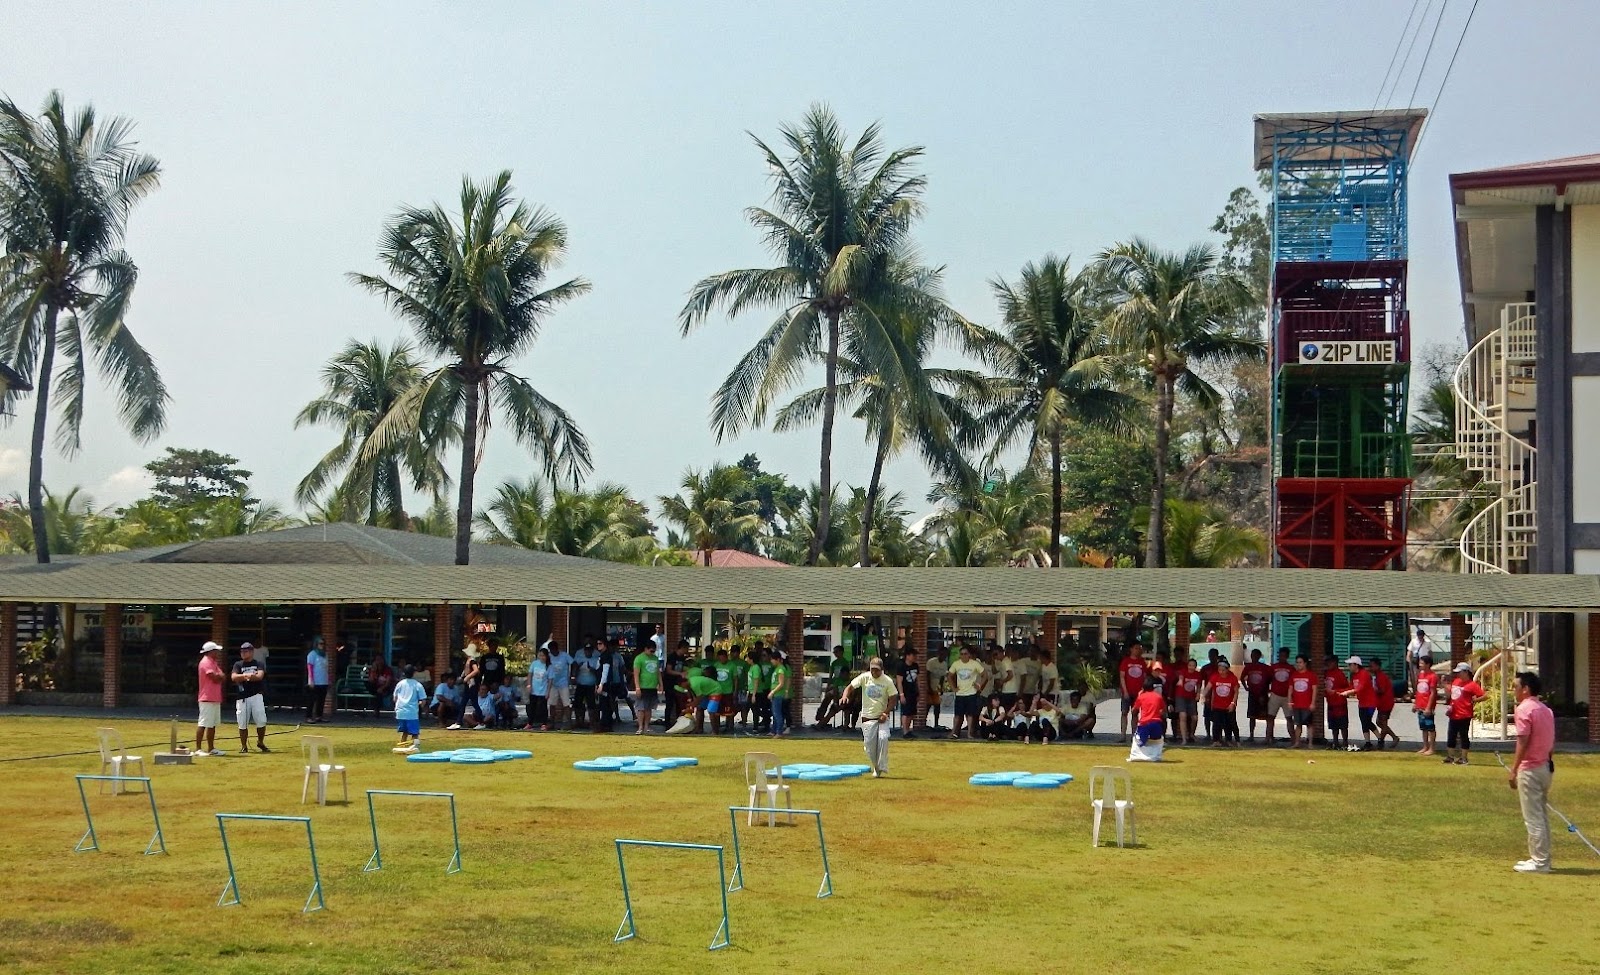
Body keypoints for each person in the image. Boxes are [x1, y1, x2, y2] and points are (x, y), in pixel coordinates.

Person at [1509, 671, 1556, 873]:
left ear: (1525, 689)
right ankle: (1541, 858)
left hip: (1530, 768)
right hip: (1545, 767)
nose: (1514, 690)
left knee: (1533, 817)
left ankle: (1540, 862)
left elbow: (1523, 741)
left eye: (1515, 687)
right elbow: (1551, 741)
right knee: (1541, 815)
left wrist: (1514, 769)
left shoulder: (1524, 709)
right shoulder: (1546, 710)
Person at [841, 656, 898, 777]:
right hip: (867, 718)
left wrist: (886, 713)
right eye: (872, 669)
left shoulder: (887, 681)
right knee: (870, 748)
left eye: (877, 669)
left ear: (882, 669)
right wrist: (844, 696)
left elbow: (893, 698)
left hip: (882, 718)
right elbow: (849, 687)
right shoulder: (864, 677)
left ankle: (882, 766)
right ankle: (876, 768)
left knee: (883, 739)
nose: (874, 672)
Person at [231, 641, 269, 754]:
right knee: (242, 722)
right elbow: (233, 677)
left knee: (261, 720)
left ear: (251, 652)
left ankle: (260, 742)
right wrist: (247, 676)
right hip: (242, 697)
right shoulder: (238, 664)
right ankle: (244, 746)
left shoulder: (259, 663)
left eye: (246, 651)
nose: (243, 653)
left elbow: (259, 676)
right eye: (242, 651)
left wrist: (244, 677)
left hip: (256, 695)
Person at [1444, 662, 1485, 765]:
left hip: (1465, 714)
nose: (1458, 674)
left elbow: (1483, 695)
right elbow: (1451, 694)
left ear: (1466, 672)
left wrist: (1474, 700)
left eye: (1460, 672)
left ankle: (1464, 758)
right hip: (1454, 713)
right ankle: (1450, 756)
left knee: (1463, 736)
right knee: (1451, 735)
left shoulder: (1472, 685)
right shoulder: (1456, 681)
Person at [949, 645, 988, 740]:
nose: (963, 656)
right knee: (958, 715)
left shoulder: (974, 664)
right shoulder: (956, 664)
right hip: (960, 693)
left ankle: (970, 734)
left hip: (971, 693)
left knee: (970, 715)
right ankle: (954, 732)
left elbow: (985, 675)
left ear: (969, 655)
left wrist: (979, 685)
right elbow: (950, 676)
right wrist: (953, 688)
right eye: (961, 654)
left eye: (965, 654)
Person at [1341, 656, 1378, 752]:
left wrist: (1347, 693)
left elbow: (1359, 688)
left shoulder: (1364, 674)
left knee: (1367, 721)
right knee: (1364, 722)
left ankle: (1379, 738)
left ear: (1356, 665)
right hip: (1362, 702)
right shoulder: (1354, 676)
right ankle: (1368, 742)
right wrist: (1338, 691)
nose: (1349, 667)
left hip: (1370, 702)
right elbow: (1351, 687)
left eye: (1350, 665)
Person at [196, 641, 227, 756]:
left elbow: (222, 676)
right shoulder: (205, 662)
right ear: (211, 652)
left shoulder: (213, 662)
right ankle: (198, 749)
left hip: (214, 697)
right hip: (206, 697)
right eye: (216, 651)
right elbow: (214, 677)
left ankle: (211, 748)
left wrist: (219, 676)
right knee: (203, 723)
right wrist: (219, 676)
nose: (217, 653)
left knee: (212, 724)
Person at [1117, 644, 1150, 742]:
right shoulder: (1126, 661)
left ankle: (1134, 735)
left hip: (1138, 692)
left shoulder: (1142, 662)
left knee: (1135, 713)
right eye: (1136, 648)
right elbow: (1122, 677)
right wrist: (1125, 691)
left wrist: (1143, 691)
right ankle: (1123, 735)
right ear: (1131, 649)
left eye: (1139, 648)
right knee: (1124, 712)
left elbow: (1144, 677)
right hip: (1127, 691)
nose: (1138, 650)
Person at [1204, 657, 1240, 747]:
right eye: (1219, 670)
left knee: (1229, 723)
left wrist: (1233, 703)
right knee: (1216, 723)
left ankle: (1230, 740)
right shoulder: (1215, 676)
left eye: (1223, 670)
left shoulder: (1232, 678)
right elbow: (1208, 687)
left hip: (1228, 705)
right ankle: (1215, 740)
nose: (1221, 672)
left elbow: (1236, 691)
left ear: (1227, 670)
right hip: (1217, 705)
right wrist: (1203, 695)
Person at [391, 664, 427, 752]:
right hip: (411, 713)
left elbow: (395, 698)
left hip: (400, 712)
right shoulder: (417, 685)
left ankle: (401, 748)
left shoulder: (399, 684)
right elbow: (423, 700)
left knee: (405, 732)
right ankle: (415, 747)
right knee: (415, 733)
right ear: (414, 673)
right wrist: (420, 706)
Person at [814, 646, 850, 729]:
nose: (835, 654)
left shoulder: (845, 662)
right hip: (834, 683)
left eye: (836, 652)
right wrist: (828, 686)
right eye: (834, 652)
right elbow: (831, 676)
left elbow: (847, 673)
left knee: (835, 697)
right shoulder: (834, 663)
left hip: (841, 685)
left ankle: (832, 717)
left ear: (841, 652)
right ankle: (820, 715)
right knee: (827, 697)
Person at [1265, 649, 1294, 746]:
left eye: (1284, 655)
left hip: (1286, 696)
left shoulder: (1291, 668)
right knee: (1270, 717)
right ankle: (1268, 738)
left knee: (1289, 718)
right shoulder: (1273, 667)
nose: (1282, 657)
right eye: (1280, 655)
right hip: (1275, 695)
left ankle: (1293, 739)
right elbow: (1267, 680)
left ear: (1287, 656)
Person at [1241, 649, 1271, 742]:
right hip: (1252, 693)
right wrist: (1246, 687)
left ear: (1259, 656)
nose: (1254, 657)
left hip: (1262, 694)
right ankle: (1251, 735)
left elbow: (1270, 679)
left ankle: (1268, 736)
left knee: (1266, 715)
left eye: (1256, 655)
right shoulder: (1248, 667)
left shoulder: (1265, 667)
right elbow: (1242, 678)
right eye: (1252, 655)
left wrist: (1266, 690)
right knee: (1252, 716)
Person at [632, 639, 661, 735]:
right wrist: (637, 687)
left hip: (652, 687)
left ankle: (646, 727)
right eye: (651, 651)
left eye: (654, 651)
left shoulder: (655, 658)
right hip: (643, 686)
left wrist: (661, 684)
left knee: (649, 708)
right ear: (646, 649)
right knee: (641, 708)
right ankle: (640, 727)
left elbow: (658, 672)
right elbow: (636, 674)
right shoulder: (639, 659)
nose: (652, 653)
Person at [1287, 654, 1316, 749]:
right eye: (1297, 662)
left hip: (1307, 704)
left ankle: (1310, 743)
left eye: (1300, 662)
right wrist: (1289, 701)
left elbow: (1315, 689)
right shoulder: (1294, 675)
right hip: (1297, 704)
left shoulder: (1311, 675)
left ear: (1305, 663)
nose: (1298, 664)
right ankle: (1297, 742)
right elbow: (1290, 689)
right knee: (1298, 724)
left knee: (1309, 724)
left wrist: (1312, 703)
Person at [1370, 659, 1401, 749]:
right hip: (1382, 702)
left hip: (1386, 702)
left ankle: (1382, 741)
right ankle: (1393, 737)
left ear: (1378, 666)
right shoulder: (1377, 676)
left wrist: (1373, 691)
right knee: (1379, 722)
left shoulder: (1381, 677)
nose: (1371, 668)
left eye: (1372, 666)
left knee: (1383, 722)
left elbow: (1382, 690)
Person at [572, 638, 601, 729]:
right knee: (577, 703)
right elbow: (574, 668)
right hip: (581, 684)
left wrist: (592, 669)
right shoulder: (579, 657)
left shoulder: (596, 659)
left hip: (591, 685)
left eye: (589, 650)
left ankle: (592, 722)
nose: (588, 652)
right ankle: (579, 721)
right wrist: (575, 674)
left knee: (591, 705)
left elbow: (598, 672)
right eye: (586, 650)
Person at [1323, 656, 1351, 750]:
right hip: (1330, 702)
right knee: (1333, 725)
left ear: (1335, 663)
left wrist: (1335, 691)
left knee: (1342, 725)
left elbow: (1347, 688)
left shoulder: (1340, 674)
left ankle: (1345, 743)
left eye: (1330, 662)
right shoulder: (1326, 673)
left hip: (1340, 703)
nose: (1328, 664)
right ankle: (1335, 742)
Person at [1413, 655, 1438, 756]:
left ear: (1428, 664)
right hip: (1420, 705)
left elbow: (1433, 692)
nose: (1420, 665)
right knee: (1423, 727)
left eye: (1422, 663)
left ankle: (1432, 748)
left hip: (1428, 706)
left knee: (1430, 727)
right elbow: (1418, 691)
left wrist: (1429, 707)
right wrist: (1415, 703)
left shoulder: (1433, 676)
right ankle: (1425, 746)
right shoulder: (1420, 675)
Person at [1173, 656, 1201, 745]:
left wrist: (1198, 694)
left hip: (1191, 697)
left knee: (1194, 717)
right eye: (1190, 665)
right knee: (1183, 716)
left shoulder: (1197, 674)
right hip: (1181, 696)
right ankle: (1184, 738)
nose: (1191, 667)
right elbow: (1181, 677)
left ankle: (1191, 734)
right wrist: (1180, 681)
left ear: (1195, 666)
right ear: (1187, 666)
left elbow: (1199, 685)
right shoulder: (1183, 672)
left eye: (1193, 665)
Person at [1133, 675, 1167, 747]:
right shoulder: (1158, 697)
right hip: (1156, 724)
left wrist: (1139, 695)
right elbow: (1164, 711)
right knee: (1155, 742)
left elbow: (1134, 710)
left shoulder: (1141, 697)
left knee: (1141, 743)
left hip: (1144, 724)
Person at [546, 640, 573, 729]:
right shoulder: (549, 657)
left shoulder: (564, 655)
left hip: (563, 683)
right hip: (553, 684)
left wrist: (572, 675)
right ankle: (552, 722)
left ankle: (568, 722)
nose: (552, 651)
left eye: (553, 649)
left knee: (566, 703)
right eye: (550, 650)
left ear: (557, 648)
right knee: (552, 704)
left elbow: (573, 663)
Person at [895, 647, 919, 740]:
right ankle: (905, 731)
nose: (915, 657)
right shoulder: (901, 666)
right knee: (906, 711)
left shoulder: (915, 666)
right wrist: (901, 694)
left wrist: (918, 691)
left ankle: (908, 730)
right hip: (906, 692)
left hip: (913, 691)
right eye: (913, 655)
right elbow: (899, 681)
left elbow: (918, 679)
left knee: (911, 712)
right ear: (907, 656)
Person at [304, 636, 330, 723]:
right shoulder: (312, 654)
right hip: (315, 681)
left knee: (321, 700)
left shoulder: (325, 655)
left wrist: (328, 679)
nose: (322, 645)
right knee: (312, 700)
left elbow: (326, 668)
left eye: (323, 644)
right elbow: (310, 668)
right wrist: (311, 680)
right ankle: (309, 717)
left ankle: (319, 716)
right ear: (316, 644)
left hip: (324, 681)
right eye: (320, 644)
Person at [768, 649, 791, 738]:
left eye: (772, 659)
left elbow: (781, 684)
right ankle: (774, 731)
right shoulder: (777, 669)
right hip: (775, 695)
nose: (771, 661)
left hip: (778, 695)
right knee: (775, 713)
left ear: (777, 659)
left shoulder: (781, 669)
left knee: (777, 714)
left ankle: (779, 732)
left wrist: (773, 692)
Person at [525, 648, 550, 730]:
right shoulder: (534, 663)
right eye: (540, 655)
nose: (542, 657)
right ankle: (530, 723)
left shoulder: (549, 666)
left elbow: (550, 680)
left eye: (543, 655)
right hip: (534, 690)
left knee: (543, 707)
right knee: (532, 707)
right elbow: (530, 675)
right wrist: (529, 685)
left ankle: (544, 724)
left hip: (543, 690)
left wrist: (548, 691)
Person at [926, 647, 950, 730]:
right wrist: (928, 687)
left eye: (945, 655)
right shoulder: (931, 662)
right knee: (927, 705)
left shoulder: (944, 664)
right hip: (929, 687)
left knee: (937, 706)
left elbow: (942, 677)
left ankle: (936, 724)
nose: (943, 656)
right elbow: (927, 675)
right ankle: (923, 722)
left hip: (937, 688)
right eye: (942, 654)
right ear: (938, 653)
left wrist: (941, 687)